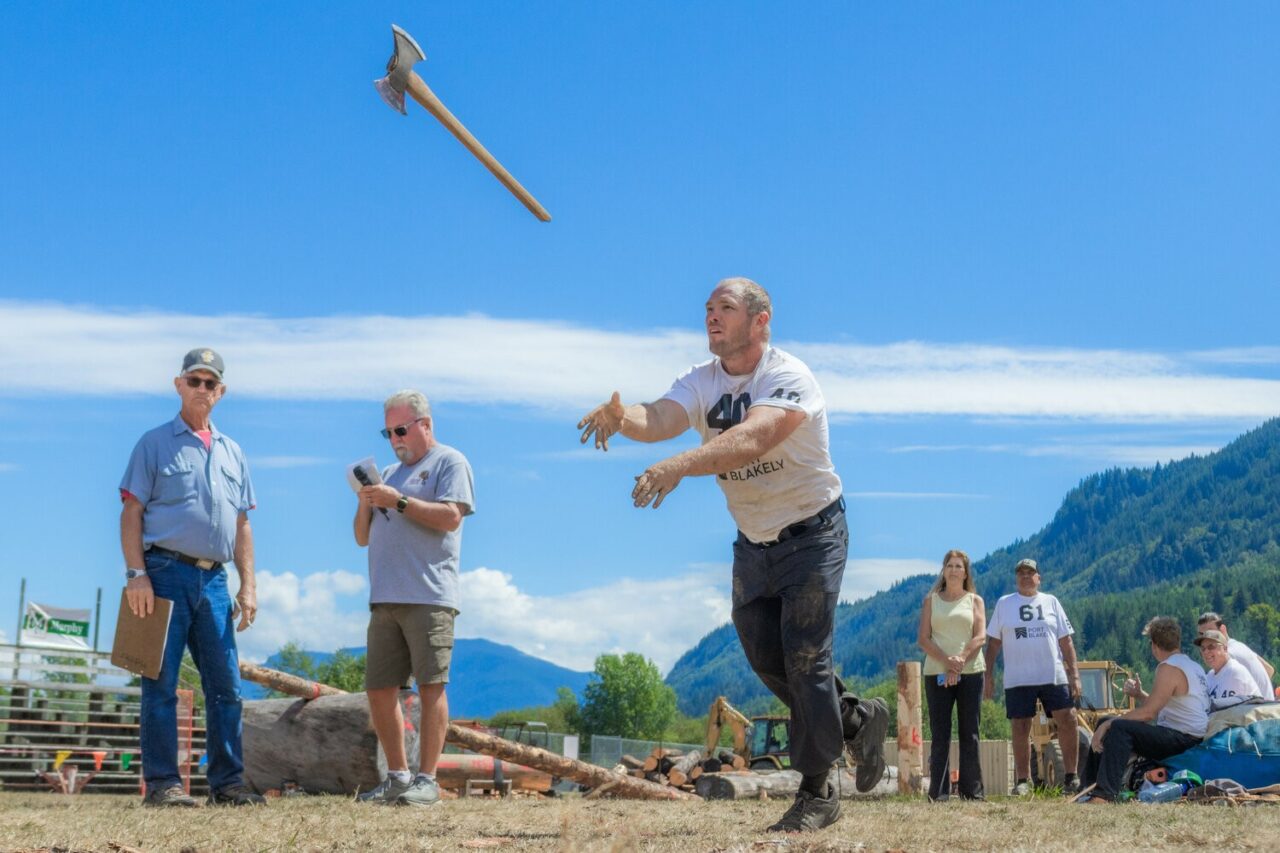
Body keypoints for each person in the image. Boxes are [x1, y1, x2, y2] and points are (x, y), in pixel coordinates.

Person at [577, 278, 889, 833]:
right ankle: (855, 719)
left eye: (725, 308)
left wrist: (678, 466)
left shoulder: (790, 377)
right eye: (708, 309)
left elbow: (753, 438)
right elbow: (664, 417)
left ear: (761, 320)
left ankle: (817, 794)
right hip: (754, 543)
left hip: (814, 535)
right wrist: (623, 420)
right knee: (769, 660)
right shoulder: (701, 379)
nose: (712, 318)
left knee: (805, 658)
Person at [118, 348, 264, 807]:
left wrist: (250, 585)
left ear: (221, 392)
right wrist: (136, 574)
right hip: (162, 573)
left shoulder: (233, 451)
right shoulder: (154, 442)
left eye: (210, 383)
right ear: (178, 384)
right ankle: (163, 785)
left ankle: (228, 784)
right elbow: (132, 511)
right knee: (158, 683)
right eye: (194, 380)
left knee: (226, 687)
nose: (202, 389)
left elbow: (242, 524)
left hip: (216, 581)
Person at [353, 390, 475, 806]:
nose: (394, 439)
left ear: (425, 424)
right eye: (387, 431)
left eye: (401, 429)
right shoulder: (387, 472)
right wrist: (365, 501)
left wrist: (399, 500)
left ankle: (428, 780)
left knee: (431, 686)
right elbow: (361, 537)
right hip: (384, 596)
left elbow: (451, 517)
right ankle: (399, 777)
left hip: (429, 595)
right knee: (379, 689)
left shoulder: (449, 462)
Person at [1079, 617, 1208, 804]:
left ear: (1154, 645)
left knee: (1119, 728)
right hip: (1188, 734)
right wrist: (1138, 695)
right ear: (1177, 641)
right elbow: (1166, 706)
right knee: (1105, 721)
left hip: (1182, 738)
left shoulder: (1168, 668)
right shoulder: (1193, 667)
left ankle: (1103, 795)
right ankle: (1087, 789)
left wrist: (1109, 724)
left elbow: (1149, 713)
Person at [983, 558, 1082, 796]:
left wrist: (1075, 675)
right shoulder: (1004, 604)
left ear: (1039, 578)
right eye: (1021, 573)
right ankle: (1022, 781)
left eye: (1031, 573)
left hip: (1052, 673)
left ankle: (1071, 776)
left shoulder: (1051, 602)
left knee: (1068, 718)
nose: (1026, 577)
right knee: (1020, 725)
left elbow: (1066, 641)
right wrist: (989, 675)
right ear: (1016, 578)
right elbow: (993, 643)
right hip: (1018, 676)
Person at [917, 549, 986, 801]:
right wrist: (947, 661)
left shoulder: (975, 601)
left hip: (971, 671)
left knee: (970, 732)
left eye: (959, 566)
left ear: (966, 572)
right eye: (950, 565)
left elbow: (980, 636)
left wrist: (960, 661)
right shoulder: (931, 601)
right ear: (943, 570)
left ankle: (972, 792)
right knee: (940, 733)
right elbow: (923, 639)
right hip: (936, 671)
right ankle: (939, 792)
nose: (954, 570)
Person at [1196, 612, 1274, 700]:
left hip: (1257, 710)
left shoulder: (1229, 654)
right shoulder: (1240, 646)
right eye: (1201, 634)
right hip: (1266, 707)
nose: (1206, 636)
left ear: (1223, 629)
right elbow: (1269, 670)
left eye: (1210, 632)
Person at [1194, 629, 1263, 711]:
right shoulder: (1209, 676)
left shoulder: (1234, 671)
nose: (1206, 652)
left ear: (1225, 649)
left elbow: (1231, 711)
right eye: (1203, 649)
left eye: (1211, 647)